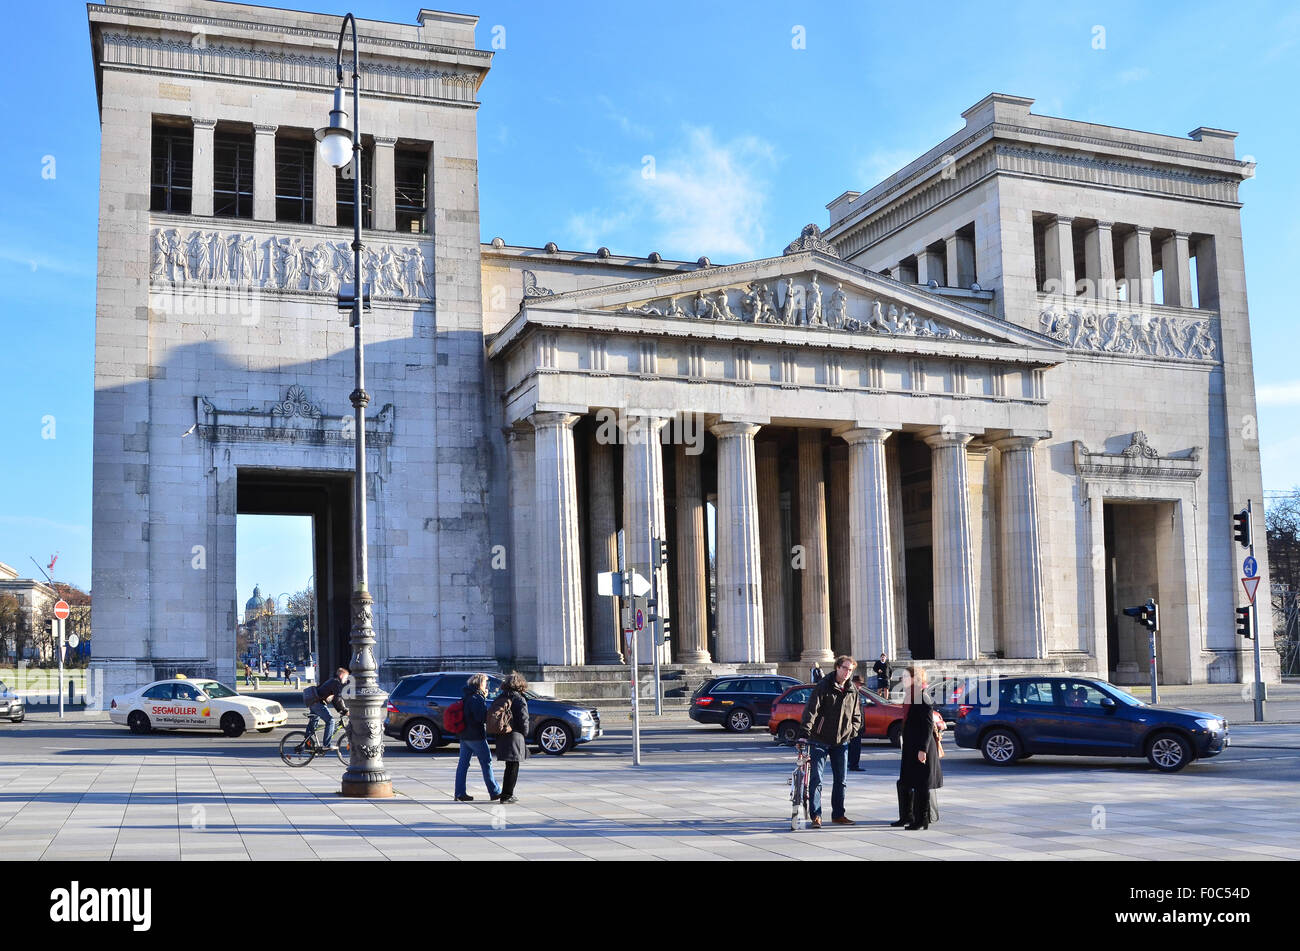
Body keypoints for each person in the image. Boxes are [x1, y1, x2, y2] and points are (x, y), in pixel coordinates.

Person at [799, 655, 863, 827]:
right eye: (845, 668)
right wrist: (805, 732)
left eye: (850, 670)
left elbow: (857, 715)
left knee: (841, 780)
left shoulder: (852, 690)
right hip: (819, 739)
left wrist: (852, 731)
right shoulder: (823, 686)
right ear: (837, 667)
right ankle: (816, 815)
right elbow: (811, 710)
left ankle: (838, 814)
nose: (847, 672)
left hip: (841, 741)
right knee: (816, 779)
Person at [895, 666, 942, 831]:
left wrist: (923, 749)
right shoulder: (910, 696)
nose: (902, 680)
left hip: (922, 747)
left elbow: (928, 726)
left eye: (906, 677)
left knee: (921, 784)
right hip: (910, 746)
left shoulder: (923, 697)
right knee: (905, 782)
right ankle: (906, 816)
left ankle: (921, 819)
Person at [454, 673, 503, 803]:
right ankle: (495, 791)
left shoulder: (467, 695)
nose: (487, 685)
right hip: (476, 736)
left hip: (464, 735)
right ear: (480, 684)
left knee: (463, 764)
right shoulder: (476, 698)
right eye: (485, 683)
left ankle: (459, 792)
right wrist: (484, 701)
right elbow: (480, 718)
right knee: (486, 762)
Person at [491, 671, 530, 804]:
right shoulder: (519, 699)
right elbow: (524, 719)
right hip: (515, 736)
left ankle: (506, 793)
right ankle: (507, 795)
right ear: (520, 685)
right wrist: (525, 734)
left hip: (502, 735)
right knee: (513, 766)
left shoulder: (501, 697)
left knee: (509, 766)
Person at [306, 666, 350, 751]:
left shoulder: (333, 681)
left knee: (313, 723)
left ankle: (307, 743)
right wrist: (345, 711)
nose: (346, 679)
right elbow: (338, 698)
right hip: (317, 703)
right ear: (341, 676)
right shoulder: (336, 682)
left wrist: (340, 710)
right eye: (346, 677)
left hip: (314, 702)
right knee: (330, 720)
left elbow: (334, 700)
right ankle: (326, 744)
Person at [848, 674, 866, 772]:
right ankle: (853, 765)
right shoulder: (852, 693)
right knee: (855, 747)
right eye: (859, 684)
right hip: (854, 725)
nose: (860, 686)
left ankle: (851, 763)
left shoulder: (856, 693)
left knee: (853, 746)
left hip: (857, 725)